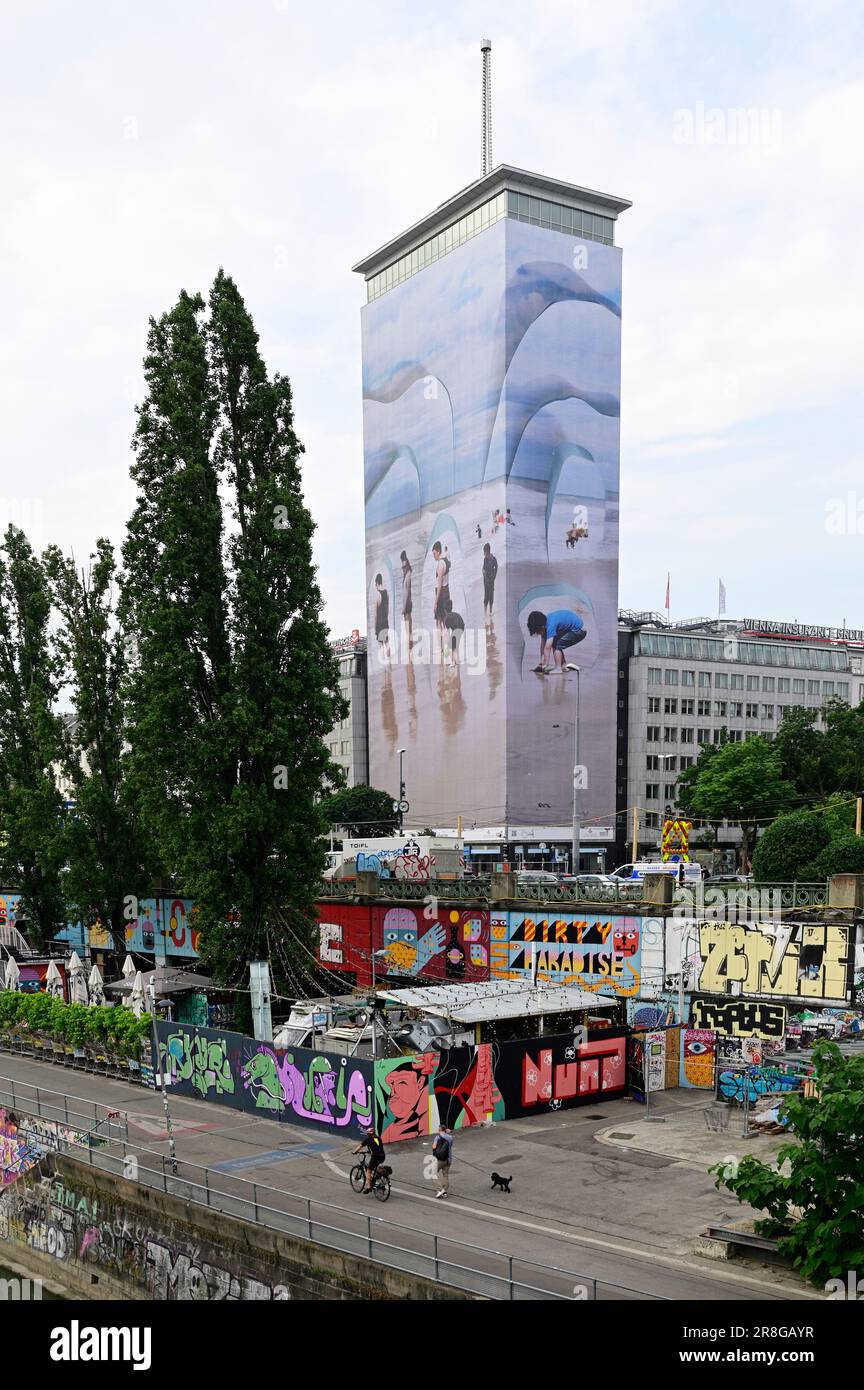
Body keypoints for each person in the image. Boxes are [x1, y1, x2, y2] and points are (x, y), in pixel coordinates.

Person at [527, 609, 587, 673]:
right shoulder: (545, 624)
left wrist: (546, 664)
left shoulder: (550, 625)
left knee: (556, 645)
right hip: (572, 628)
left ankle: (558, 668)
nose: (538, 634)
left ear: (542, 627)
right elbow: (543, 645)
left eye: (538, 632)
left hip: (579, 630)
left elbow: (547, 647)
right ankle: (563, 666)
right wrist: (542, 661)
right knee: (555, 642)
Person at [352, 1124, 386, 1193]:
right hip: (382, 1156)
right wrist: (370, 1151)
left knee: (368, 1170)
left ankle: (369, 1187)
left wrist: (355, 1152)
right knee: (375, 1167)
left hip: (375, 1157)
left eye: (367, 1134)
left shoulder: (367, 1140)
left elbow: (360, 1146)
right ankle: (377, 1179)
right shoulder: (379, 1138)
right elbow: (377, 1147)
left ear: (369, 1134)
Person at [431, 541, 451, 657]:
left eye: (434, 553)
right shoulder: (446, 561)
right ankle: (447, 648)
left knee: (438, 622)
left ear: (438, 551)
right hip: (447, 592)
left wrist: (435, 602)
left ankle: (441, 648)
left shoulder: (439, 565)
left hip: (441, 594)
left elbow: (439, 585)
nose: (433, 556)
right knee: (445, 621)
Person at [432, 1124, 453, 1198]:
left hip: (439, 1159)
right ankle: (444, 1191)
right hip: (448, 1159)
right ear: (445, 1130)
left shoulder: (437, 1137)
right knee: (445, 1174)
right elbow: (450, 1146)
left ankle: (439, 1189)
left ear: (439, 1130)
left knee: (434, 1174)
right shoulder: (450, 1137)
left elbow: (434, 1147)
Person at [374, 574, 391, 660]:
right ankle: (390, 661)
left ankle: (384, 663)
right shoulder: (386, 593)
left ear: (377, 583)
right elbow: (387, 610)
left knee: (381, 646)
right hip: (385, 622)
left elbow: (376, 615)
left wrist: (375, 628)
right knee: (387, 643)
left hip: (379, 624)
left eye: (375, 584)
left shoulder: (378, 596)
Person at [400, 551, 413, 648]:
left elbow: (407, 592)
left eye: (404, 567)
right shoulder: (406, 575)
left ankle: (409, 644)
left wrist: (404, 608)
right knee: (407, 624)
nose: (403, 569)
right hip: (407, 602)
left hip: (407, 603)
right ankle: (409, 642)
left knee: (407, 624)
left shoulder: (408, 576)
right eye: (402, 567)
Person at [482, 542, 497, 622]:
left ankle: (490, 611)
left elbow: (496, 569)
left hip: (491, 582)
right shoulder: (485, 559)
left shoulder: (493, 560)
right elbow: (483, 568)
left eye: (484, 552)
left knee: (491, 596)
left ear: (487, 552)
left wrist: (492, 578)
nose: (484, 554)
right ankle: (485, 613)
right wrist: (483, 573)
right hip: (485, 581)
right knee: (486, 597)